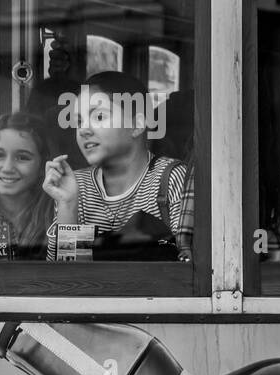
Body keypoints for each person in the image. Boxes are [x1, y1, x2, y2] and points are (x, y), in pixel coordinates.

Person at [42, 71, 191, 261]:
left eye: (99, 116)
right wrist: (68, 205)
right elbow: (64, 279)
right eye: (79, 121)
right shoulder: (76, 185)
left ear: (137, 125)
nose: (84, 130)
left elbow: (188, 270)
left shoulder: (170, 178)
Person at [0, 112, 55, 261]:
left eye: (22, 157)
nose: (8, 167)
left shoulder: (57, 213)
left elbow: (71, 272)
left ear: (42, 165)